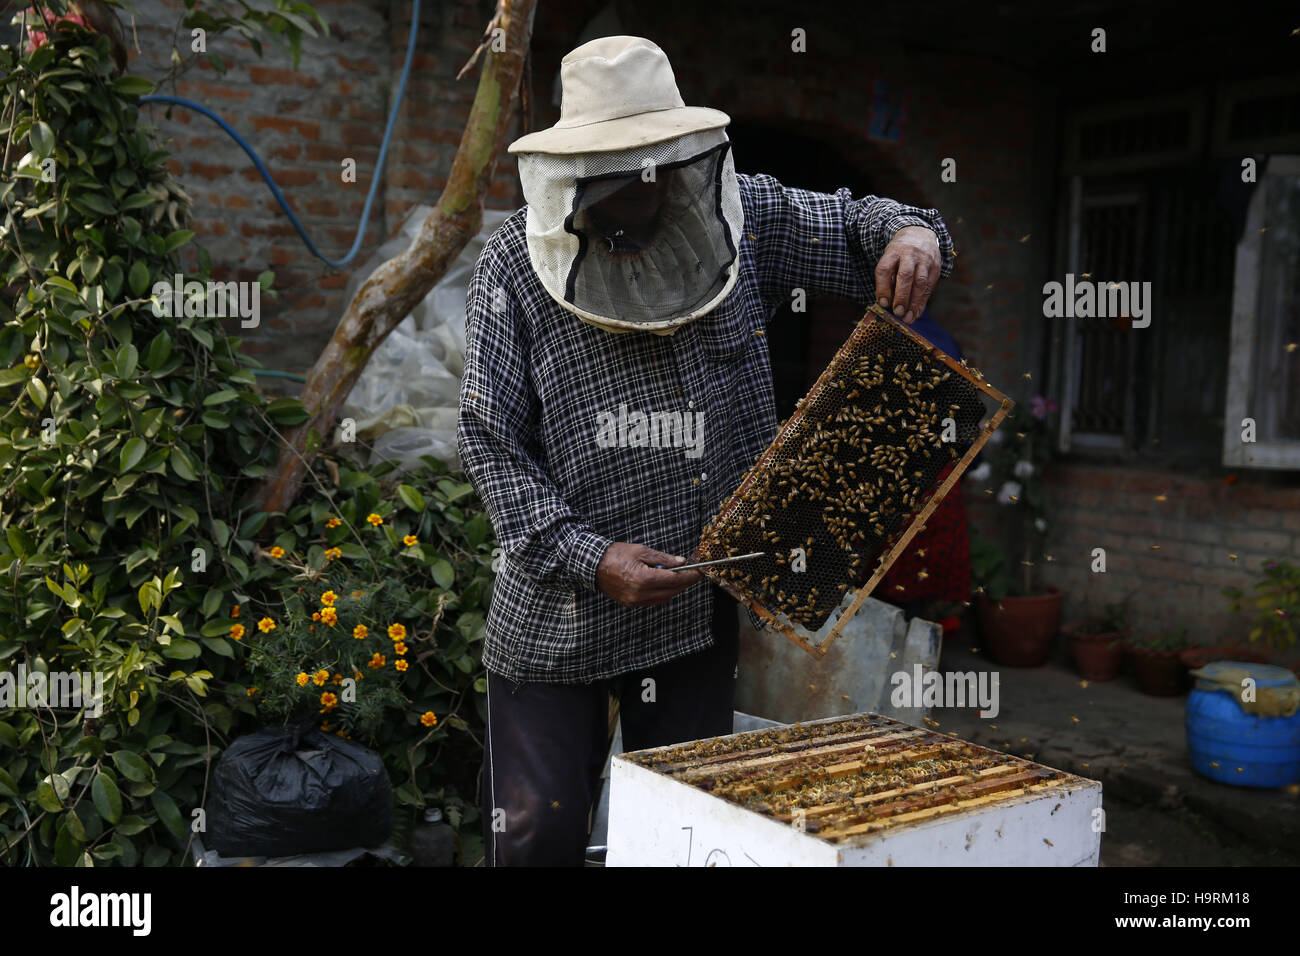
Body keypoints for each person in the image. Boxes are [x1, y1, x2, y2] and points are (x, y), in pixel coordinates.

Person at [457, 35, 954, 866]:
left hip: (695, 604)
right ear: (574, 175)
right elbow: (488, 440)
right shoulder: (513, 264)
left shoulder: (743, 218)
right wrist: (588, 555)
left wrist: (911, 233)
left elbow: (859, 220)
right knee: (537, 832)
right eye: (617, 171)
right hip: (557, 617)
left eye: (654, 166)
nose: (640, 188)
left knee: (683, 837)